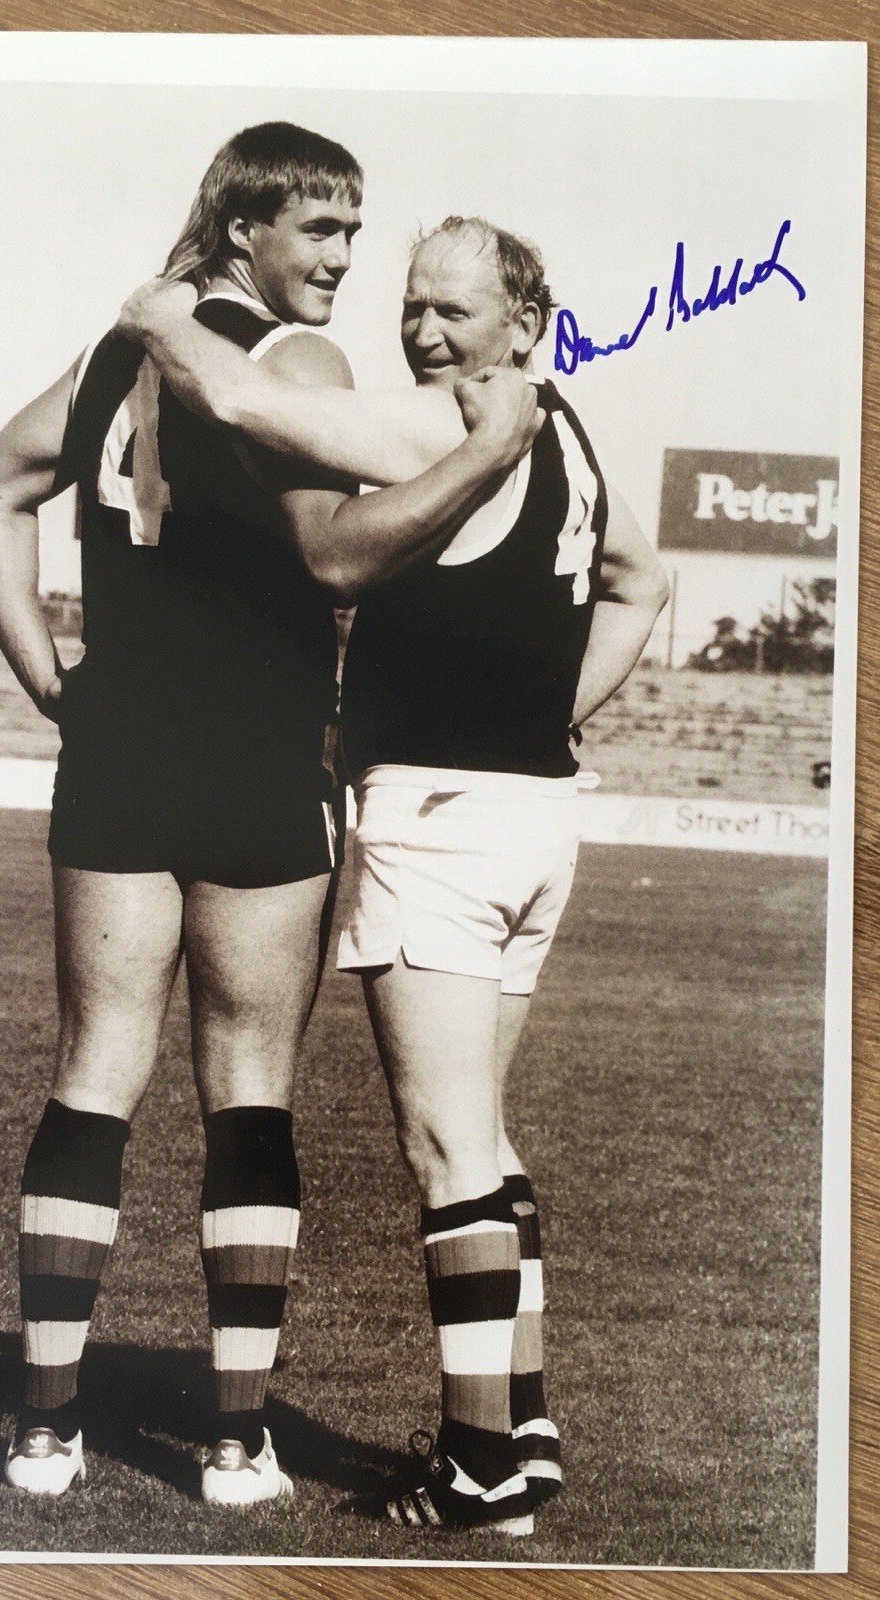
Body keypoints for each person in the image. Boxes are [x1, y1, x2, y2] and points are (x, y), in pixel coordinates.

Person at [0, 129, 542, 1506]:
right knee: (248, 1088)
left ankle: (44, 1425)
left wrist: (57, 687)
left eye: (354, 231)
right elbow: (343, 551)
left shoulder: (116, 356)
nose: (346, 261)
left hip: (118, 752)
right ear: (241, 234)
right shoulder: (299, 367)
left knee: (95, 1068)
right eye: (320, 230)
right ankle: (232, 1442)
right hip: (261, 752)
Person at [116, 214, 670, 1532]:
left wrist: (151, 314)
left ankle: (480, 1473)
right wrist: (552, 717)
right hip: (536, 815)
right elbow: (646, 582)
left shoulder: (445, 423)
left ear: (522, 325)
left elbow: (242, 392)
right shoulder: (573, 428)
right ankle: (520, 1433)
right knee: (481, 1133)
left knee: (444, 1147)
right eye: (413, 306)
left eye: (453, 312)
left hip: (439, 817)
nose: (422, 332)